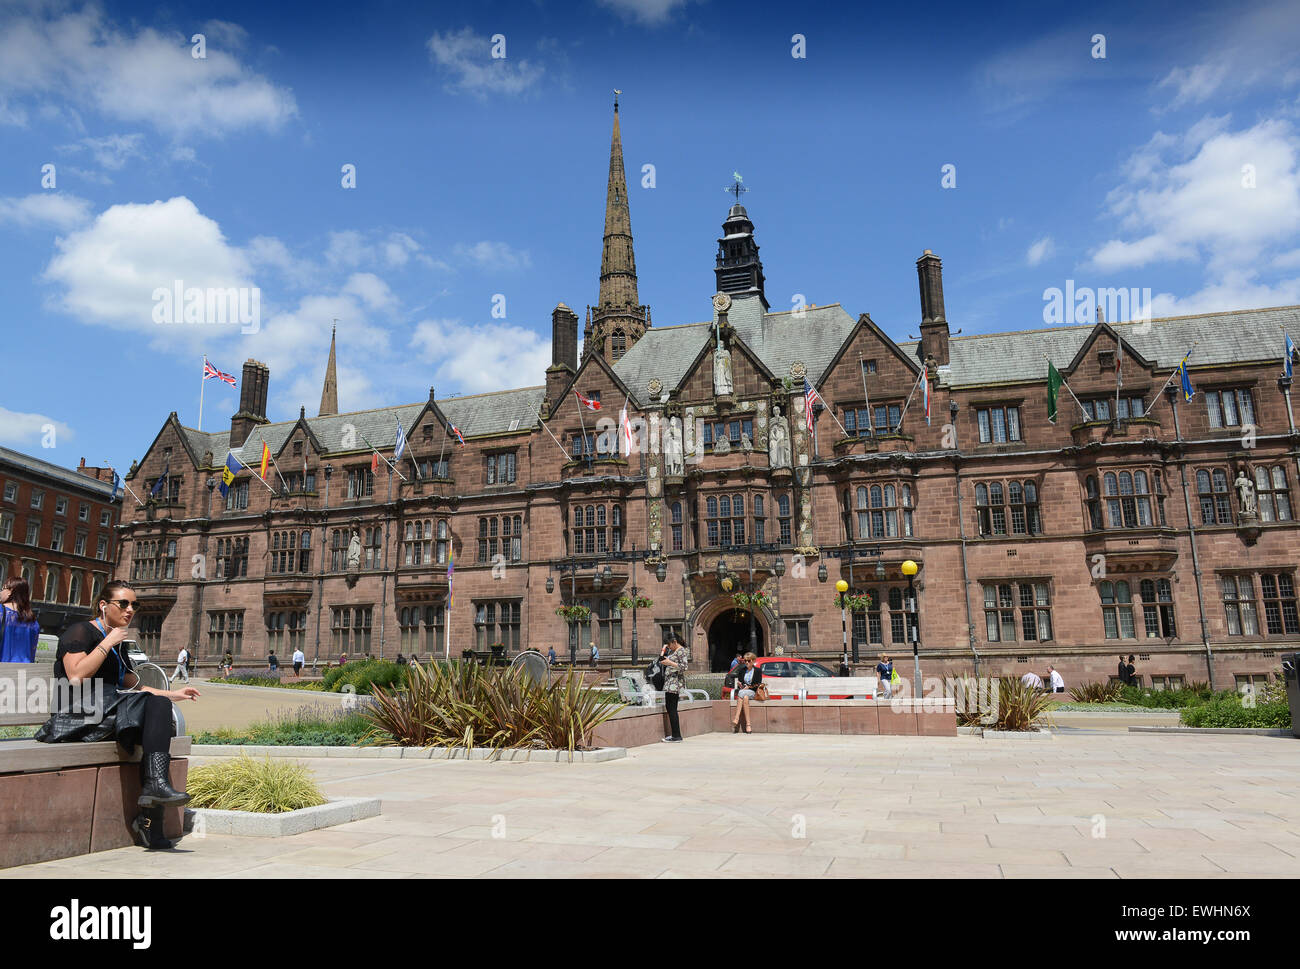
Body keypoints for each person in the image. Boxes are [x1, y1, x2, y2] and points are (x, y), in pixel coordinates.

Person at [34, 580, 200, 850]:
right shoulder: (79, 632)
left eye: (134, 604)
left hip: (108, 713)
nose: (130, 609)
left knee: (158, 707)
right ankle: (150, 817)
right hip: (78, 717)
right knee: (153, 712)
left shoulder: (120, 646)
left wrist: (175, 695)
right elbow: (76, 676)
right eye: (123, 603)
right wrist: (107, 641)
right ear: (103, 605)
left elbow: (136, 686)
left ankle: (153, 800)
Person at [0, 578, 41, 663]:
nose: (0, 592)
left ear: (10, 591)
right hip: (22, 671)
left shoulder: (1, 611)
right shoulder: (32, 621)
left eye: (2, 589)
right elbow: (32, 651)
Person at [659, 634, 689, 742]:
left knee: (672, 708)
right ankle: (676, 735)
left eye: (669, 644)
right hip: (670, 682)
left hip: (674, 683)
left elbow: (684, 666)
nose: (669, 647)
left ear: (674, 641)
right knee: (670, 707)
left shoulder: (681, 651)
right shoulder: (674, 651)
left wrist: (670, 662)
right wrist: (665, 656)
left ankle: (676, 735)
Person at [731, 652, 763, 734]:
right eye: (745, 661)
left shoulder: (757, 671)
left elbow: (758, 684)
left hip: (753, 691)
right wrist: (740, 685)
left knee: (741, 694)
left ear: (753, 661)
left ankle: (736, 718)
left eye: (748, 661)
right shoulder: (742, 671)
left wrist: (749, 687)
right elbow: (741, 685)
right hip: (744, 692)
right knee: (744, 697)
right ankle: (748, 725)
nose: (746, 662)